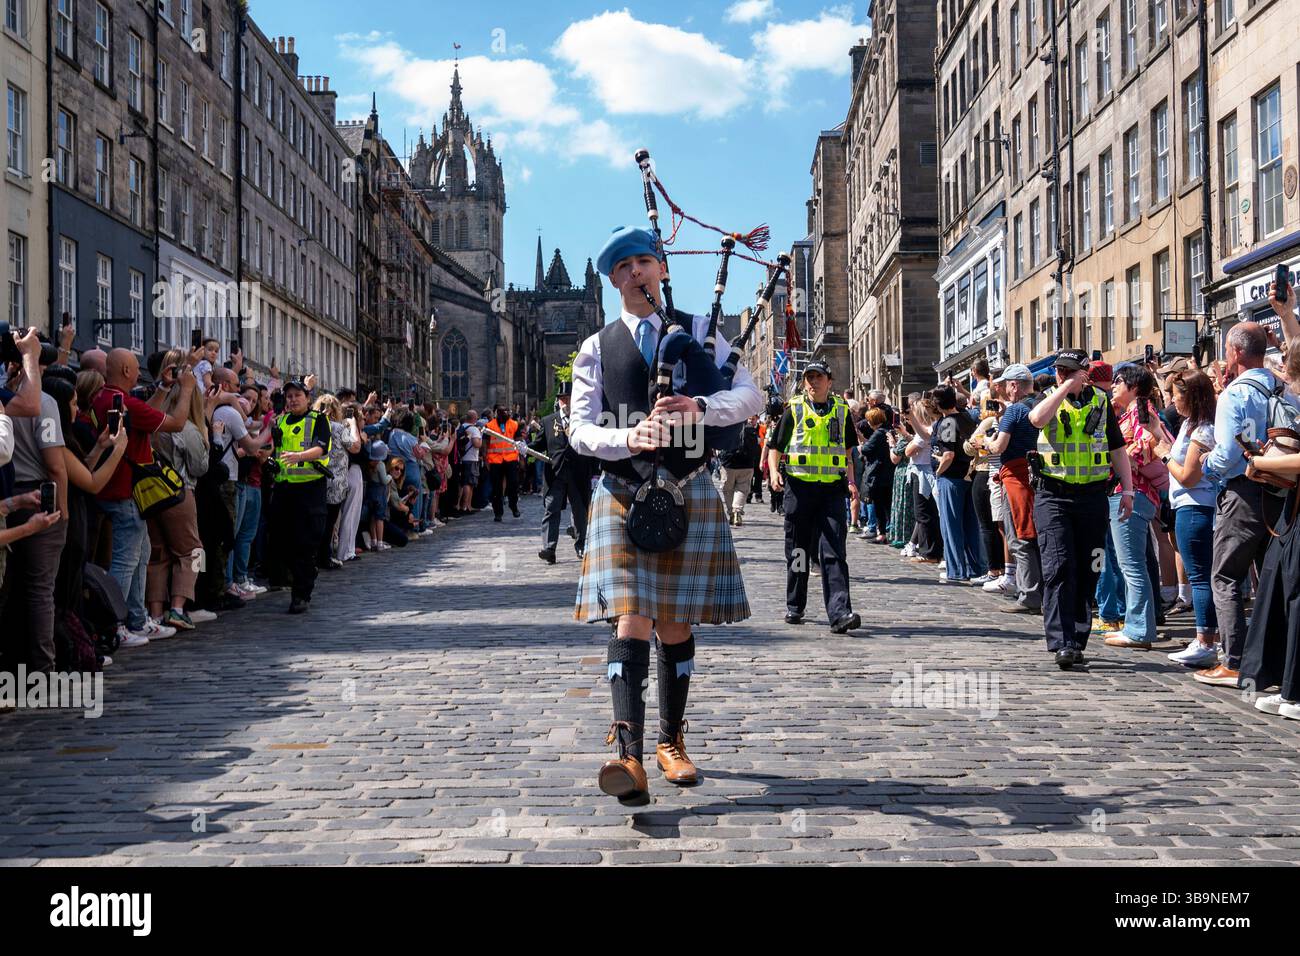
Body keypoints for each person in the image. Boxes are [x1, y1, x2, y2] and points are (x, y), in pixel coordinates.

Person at [570, 225, 764, 803]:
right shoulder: (596, 346)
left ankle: (671, 741)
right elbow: (579, 430)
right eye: (623, 267)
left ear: (662, 269)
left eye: (643, 262)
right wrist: (629, 437)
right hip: (624, 489)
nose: (635, 273)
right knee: (629, 616)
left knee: (675, 621)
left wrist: (700, 405)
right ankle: (627, 755)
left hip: (686, 486)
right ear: (612, 281)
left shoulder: (702, 334)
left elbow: (751, 399)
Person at [1197, 321, 1295, 687]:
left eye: (1226, 348)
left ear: (1236, 352)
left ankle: (1235, 661)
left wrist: (1207, 465)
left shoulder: (1235, 394)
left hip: (1242, 491)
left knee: (1225, 576)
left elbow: (1226, 455)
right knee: (1269, 580)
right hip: (1280, 491)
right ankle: (1272, 662)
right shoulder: (1282, 385)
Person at [1027, 349, 1135, 670]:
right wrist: (1063, 389)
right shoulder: (1048, 397)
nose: (1063, 375)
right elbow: (1037, 420)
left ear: (1085, 373)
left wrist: (1127, 489)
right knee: (1058, 566)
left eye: (1070, 371)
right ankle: (1062, 642)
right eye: (1060, 370)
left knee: (1091, 567)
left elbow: (1117, 448)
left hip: (1092, 497)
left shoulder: (1101, 403)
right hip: (1053, 495)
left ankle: (1077, 637)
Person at [92, 348, 197, 645]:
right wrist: (185, 390)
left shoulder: (105, 398)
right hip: (125, 491)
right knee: (126, 560)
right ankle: (116, 624)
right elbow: (174, 423)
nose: (139, 373)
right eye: (135, 368)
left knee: (143, 554)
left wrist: (164, 387)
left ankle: (137, 618)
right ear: (126, 371)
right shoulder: (124, 401)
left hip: (115, 489)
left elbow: (146, 416)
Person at [767, 360, 861, 634]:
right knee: (798, 550)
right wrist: (774, 472)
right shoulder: (793, 409)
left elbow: (847, 451)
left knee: (834, 550)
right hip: (799, 489)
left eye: (818, 377)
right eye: (809, 378)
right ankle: (795, 604)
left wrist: (852, 481)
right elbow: (776, 446)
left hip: (831, 489)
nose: (813, 382)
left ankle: (840, 612)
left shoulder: (842, 411)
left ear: (829, 382)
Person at [1152, 370, 1220, 668]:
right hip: (1188, 506)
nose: (1172, 400)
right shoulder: (1190, 425)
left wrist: (1164, 455)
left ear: (1190, 397)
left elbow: (1189, 477)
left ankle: (1206, 641)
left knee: (1200, 578)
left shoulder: (1202, 430)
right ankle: (1205, 638)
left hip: (1195, 507)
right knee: (1201, 576)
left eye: (1176, 395)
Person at [265, 380, 332, 614]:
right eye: (289, 396)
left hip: (310, 489)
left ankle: (301, 594)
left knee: (305, 543)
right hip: (284, 489)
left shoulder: (318, 420)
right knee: (283, 542)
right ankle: (303, 574)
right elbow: (275, 450)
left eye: (297, 395)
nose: (292, 399)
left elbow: (321, 448)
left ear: (307, 397)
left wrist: (300, 456)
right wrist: (270, 460)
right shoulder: (281, 421)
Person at [983, 364, 1042, 613]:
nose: (1005, 390)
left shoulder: (1014, 410)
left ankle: (1029, 595)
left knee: (1020, 535)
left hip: (1016, 477)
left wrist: (985, 440)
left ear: (1015, 385)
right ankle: (1038, 590)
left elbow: (998, 447)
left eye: (1006, 384)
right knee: (1036, 534)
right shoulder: (1042, 404)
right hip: (1039, 474)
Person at [930, 384, 986, 583]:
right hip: (970, 476)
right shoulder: (968, 418)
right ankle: (976, 568)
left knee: (951, 527)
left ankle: (956, 570)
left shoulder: (947, 423)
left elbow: (948, 454)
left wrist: (938, 472)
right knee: (971, 525)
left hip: (951, 478)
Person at [533, 381, 592, 563]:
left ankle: (581, 545)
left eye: (568, 398)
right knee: (551, 510)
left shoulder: (584, 420)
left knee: (580, 511)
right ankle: (549, 548)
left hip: (578, 473)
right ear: (558, 401)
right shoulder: (548, 421)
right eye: (562, 399)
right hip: (555, 473)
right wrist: (524, 447)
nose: (565, 402)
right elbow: (539, 444)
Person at [718, 414, 761, 527]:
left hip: (729, 463)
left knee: (727, 489)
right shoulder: (750, 428)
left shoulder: (727, 426)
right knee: (742, 488)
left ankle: (732, 512)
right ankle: (737, 511)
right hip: (747, 464)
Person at [860, 407, 894, 545]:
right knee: (886, 505)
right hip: (886, 472)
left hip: (879, 474)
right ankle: (887, 532)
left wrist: (861, 447)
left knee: (880, 505)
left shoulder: (879, 433)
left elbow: (867, 449)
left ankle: (883, 534)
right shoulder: (887, 431)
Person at [483, 405, 522, 522]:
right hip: (495, 460)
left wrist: (520, 457)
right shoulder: (489, 426)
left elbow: (519, 441)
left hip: (511, 459)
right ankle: (498, 512)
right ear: (497, 414)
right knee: (496, 488)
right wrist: (485, 458)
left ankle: (513, 506)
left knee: (513, 484)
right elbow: (485, 443)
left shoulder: (514, 424)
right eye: (503, 412)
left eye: (507, 411)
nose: (506, 414)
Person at [455, 410, 483, 516]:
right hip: (471, 458)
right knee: (469, 483)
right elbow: (476, 444)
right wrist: (480, 438)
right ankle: (466, 506)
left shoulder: (461, 427)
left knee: (466, 482)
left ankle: (467, 506)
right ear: (474, 418)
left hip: (463, 458)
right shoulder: (474, 429)